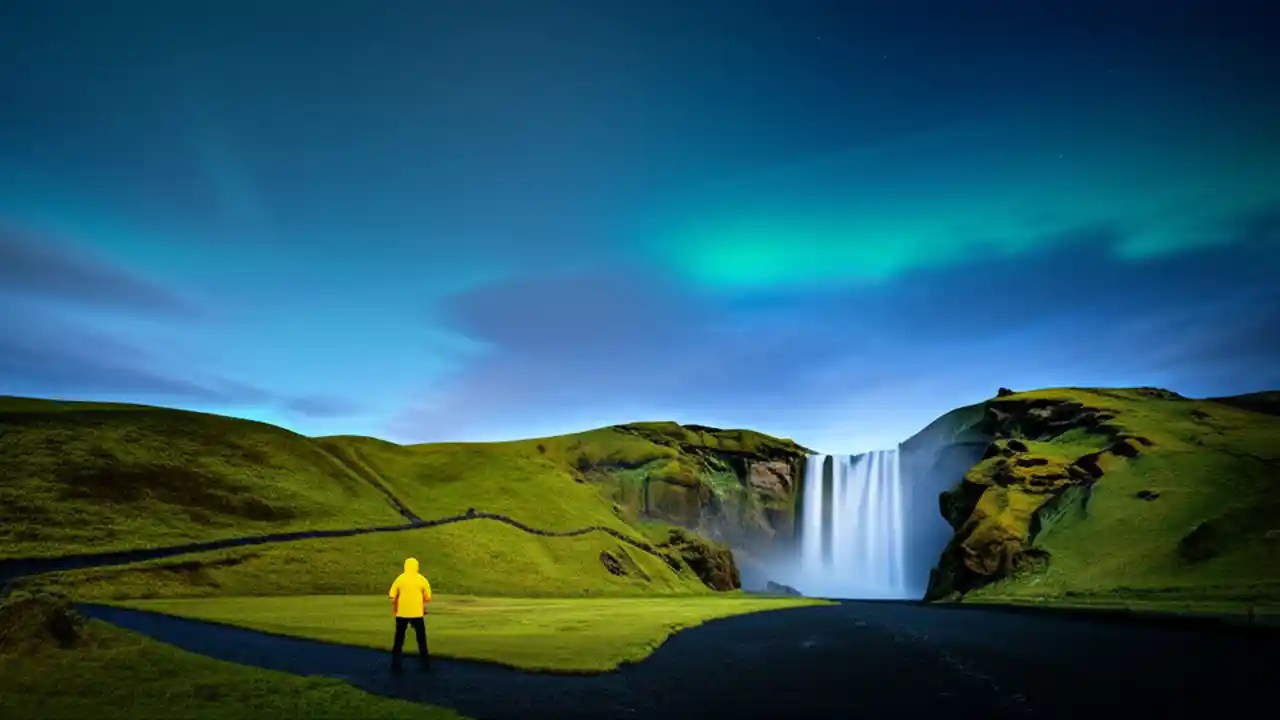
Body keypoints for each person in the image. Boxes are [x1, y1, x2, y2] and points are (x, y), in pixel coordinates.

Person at [388, 556, 432, 671]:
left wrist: (396, 606)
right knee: (421, 639)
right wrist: (421, 604)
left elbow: (392, 596)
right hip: (417, 613)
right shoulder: (422, 579)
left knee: (399, 639)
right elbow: (428, 597)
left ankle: (395, 664)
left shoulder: (400, 579)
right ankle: (425, 664)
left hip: (402, 613)